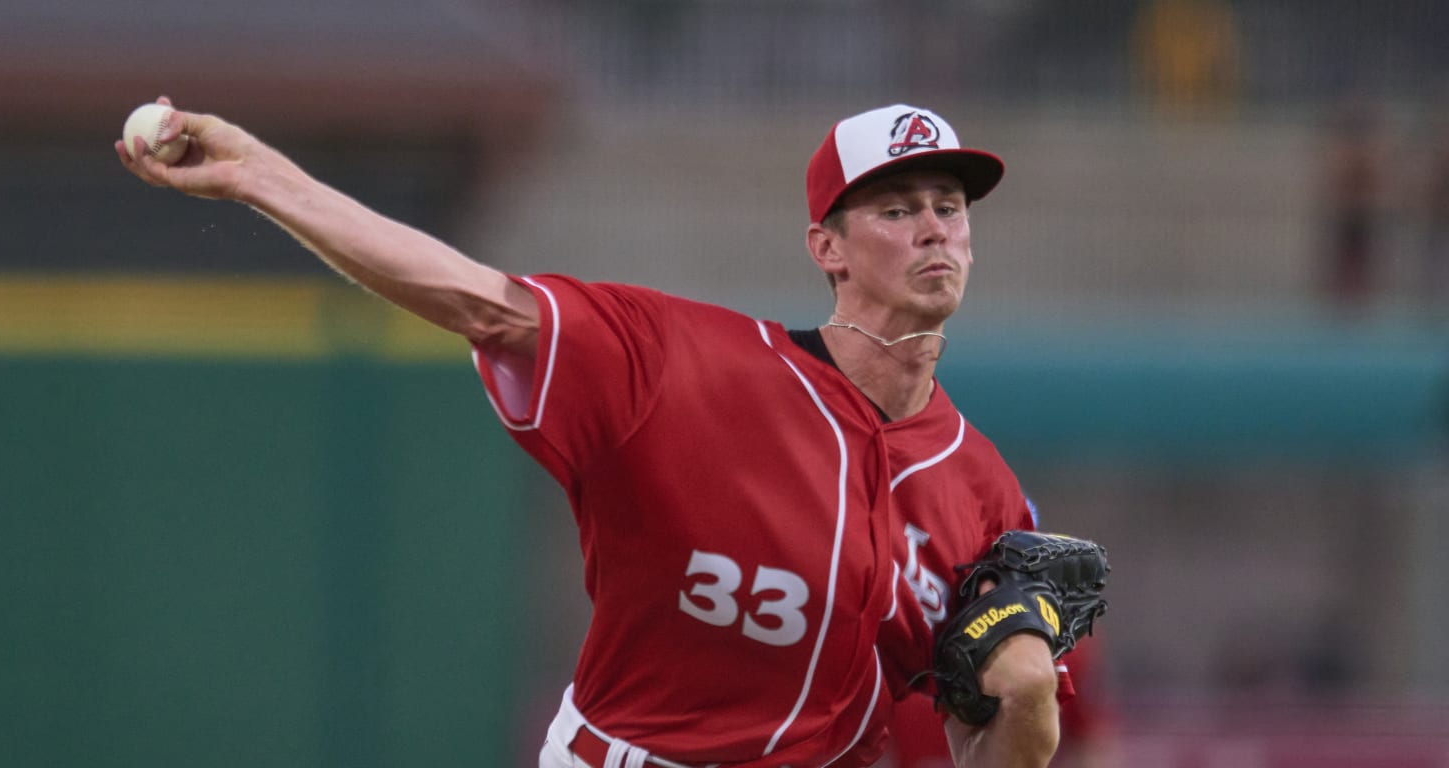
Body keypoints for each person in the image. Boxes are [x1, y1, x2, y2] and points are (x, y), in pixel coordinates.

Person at [117, 99, 1062, 767]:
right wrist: (262, 179)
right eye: (896, 210)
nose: (934, 229)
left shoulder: (981, 491)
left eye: (949, 207)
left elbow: (984, 743)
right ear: (827, 248)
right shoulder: (681, 360)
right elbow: (478, 300)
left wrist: (1027, 705)